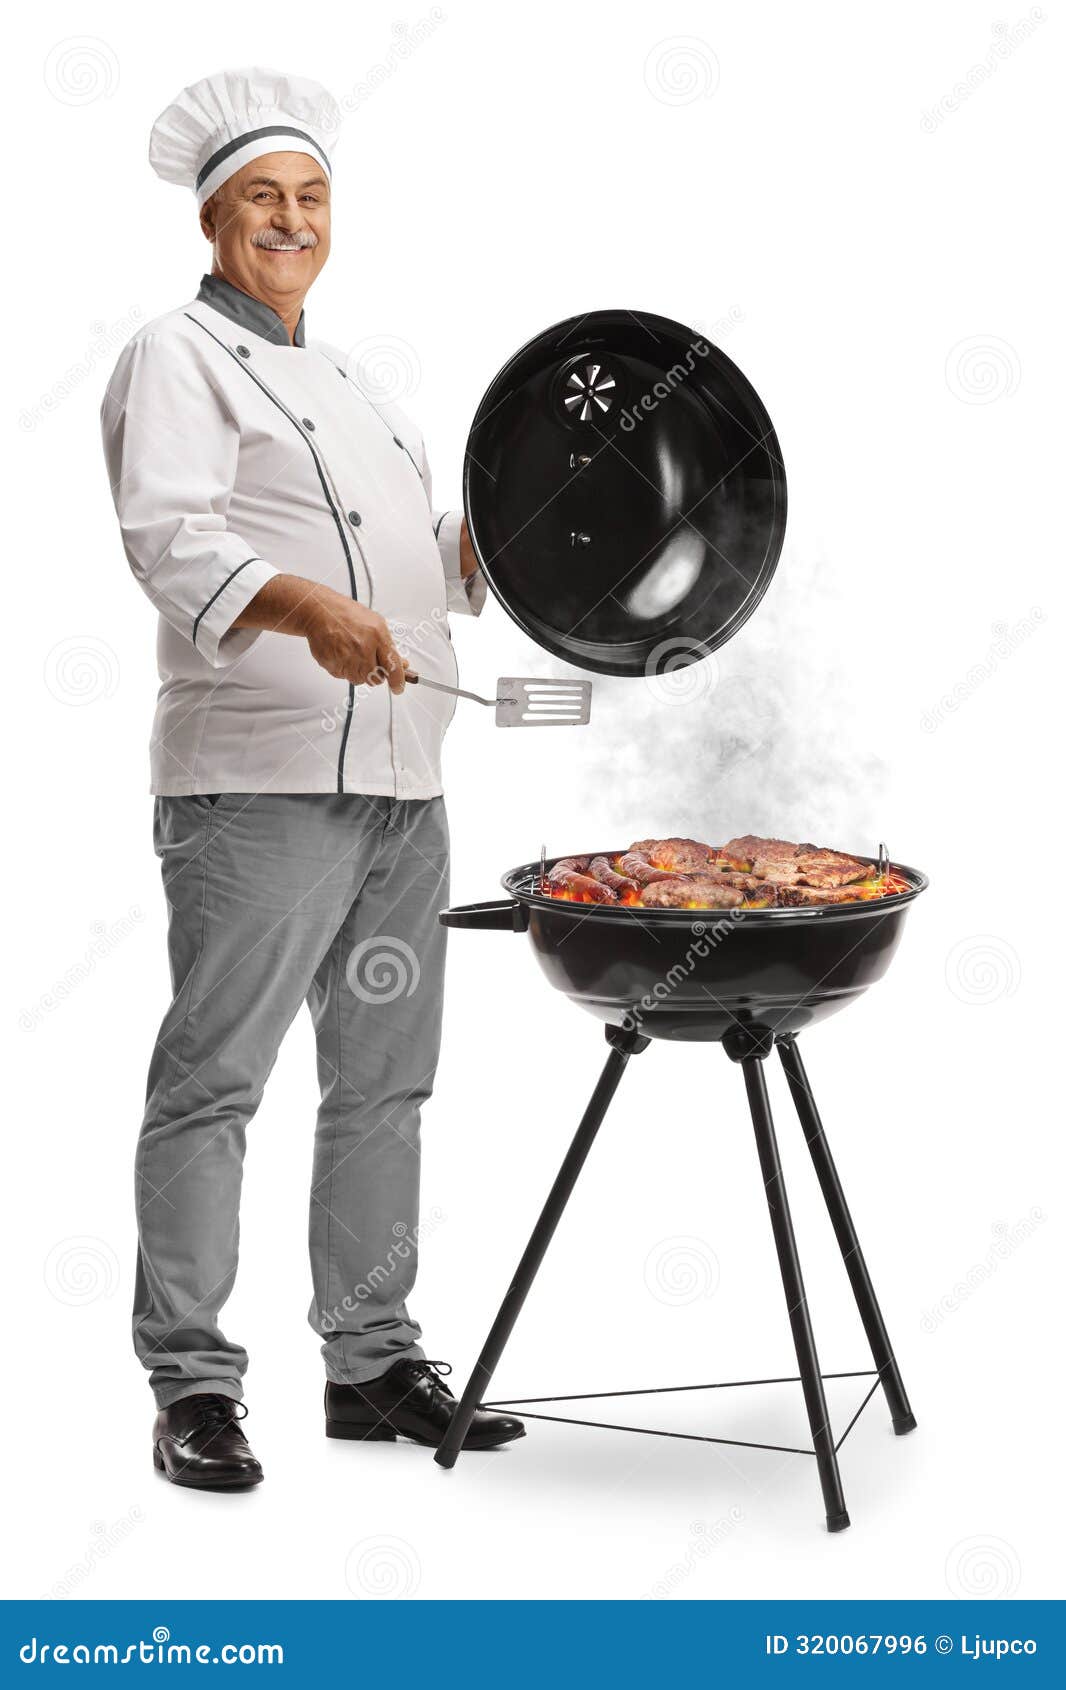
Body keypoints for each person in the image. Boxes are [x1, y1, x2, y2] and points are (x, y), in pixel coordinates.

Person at [100, 66, 523, 1490]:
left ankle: (372, 1358)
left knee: (384, 1086)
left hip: (405, 788)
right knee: (218, 1078)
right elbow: (169, 537)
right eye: (263, 200)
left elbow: (409, 569)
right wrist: (305, 611)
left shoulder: (355, 381)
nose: (291, 219)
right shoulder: (176, 353)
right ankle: (194, 1385)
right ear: (216, 220)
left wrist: (510, 537)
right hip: (260, 786)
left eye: (310, 197)